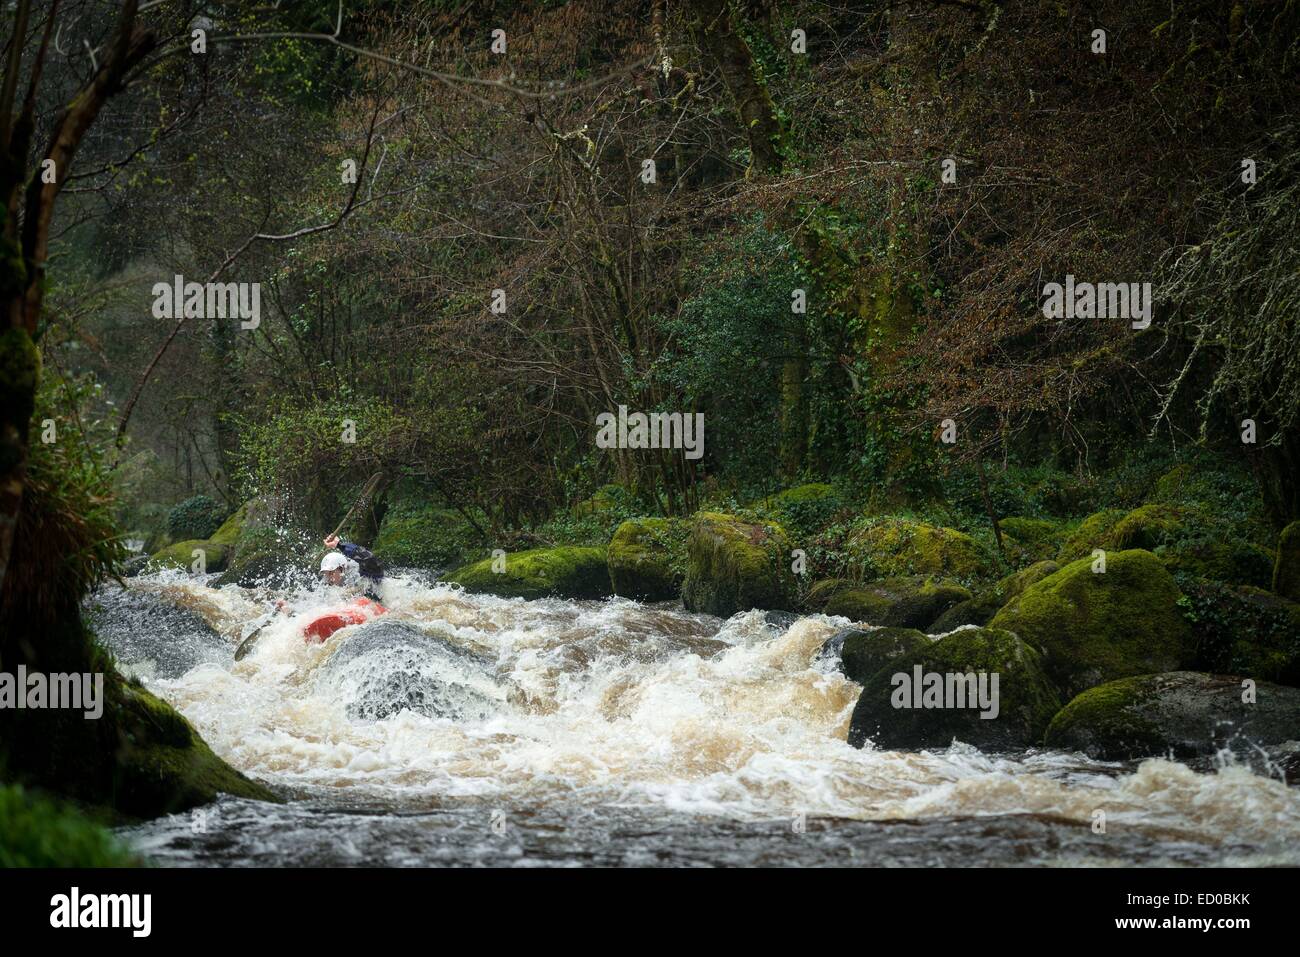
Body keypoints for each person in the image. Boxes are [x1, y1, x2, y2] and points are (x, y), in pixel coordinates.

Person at [320, 534, 384, 601]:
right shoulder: (335, 595)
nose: (328, 578)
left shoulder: (362, 577)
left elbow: (372, 561)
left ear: (342, 569)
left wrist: (340, 546)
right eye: (326, 574)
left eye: (331, 573)